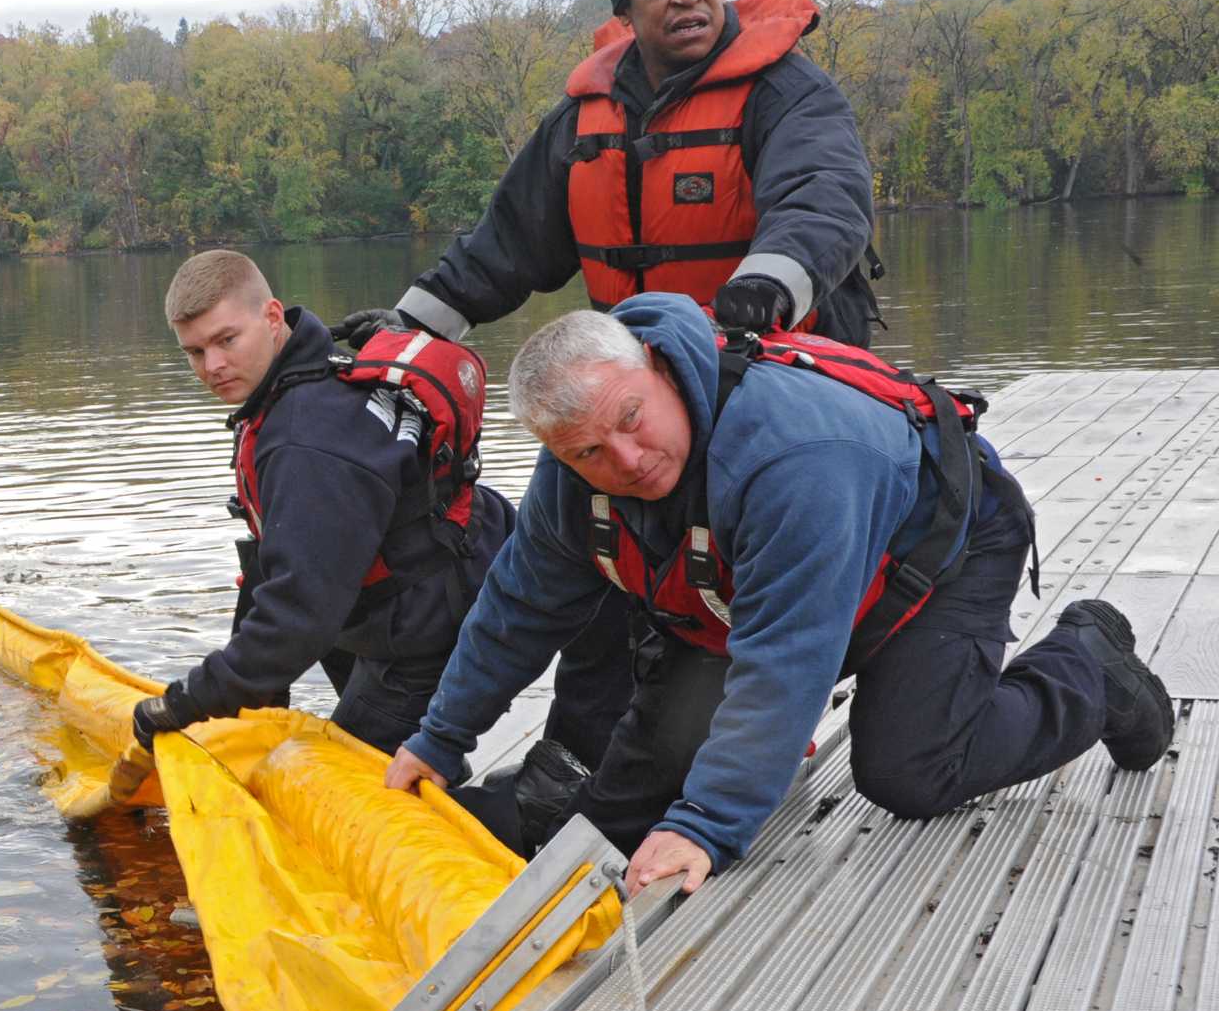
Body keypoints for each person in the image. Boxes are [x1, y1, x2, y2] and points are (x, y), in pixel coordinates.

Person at [385, 294, 1175, 898]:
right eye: (590, 450)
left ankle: (1089, 666)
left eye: (632, 419)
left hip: (936, 556)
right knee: (629, 804)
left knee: (909, 770)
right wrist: (439, 739)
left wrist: (707, 826)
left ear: (658, 368)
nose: (625, 459)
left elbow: (786, 663)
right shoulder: (574, 475)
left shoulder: (798, 457)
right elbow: (517, 609)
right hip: (769, 590)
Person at [345, 0, 879, 353]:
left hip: (785, 361)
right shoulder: (583, 118)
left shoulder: (787, 91)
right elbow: (507, 241)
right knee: (567, 461)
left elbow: (823, 197)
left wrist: (768, 285)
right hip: (637, 377)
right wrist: (412, 323)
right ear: (625, 12)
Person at [128, 250, 514, 757]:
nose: (213, 366)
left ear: (271, 317)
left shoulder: (305, 439)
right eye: (195, 352)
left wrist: (186, 702)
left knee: (368, 786)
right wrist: (255, 693)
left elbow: (298, 616)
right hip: (391, 593)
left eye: (226, 340)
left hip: (436, 621)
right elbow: (279, 562)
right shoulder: (314, 368)